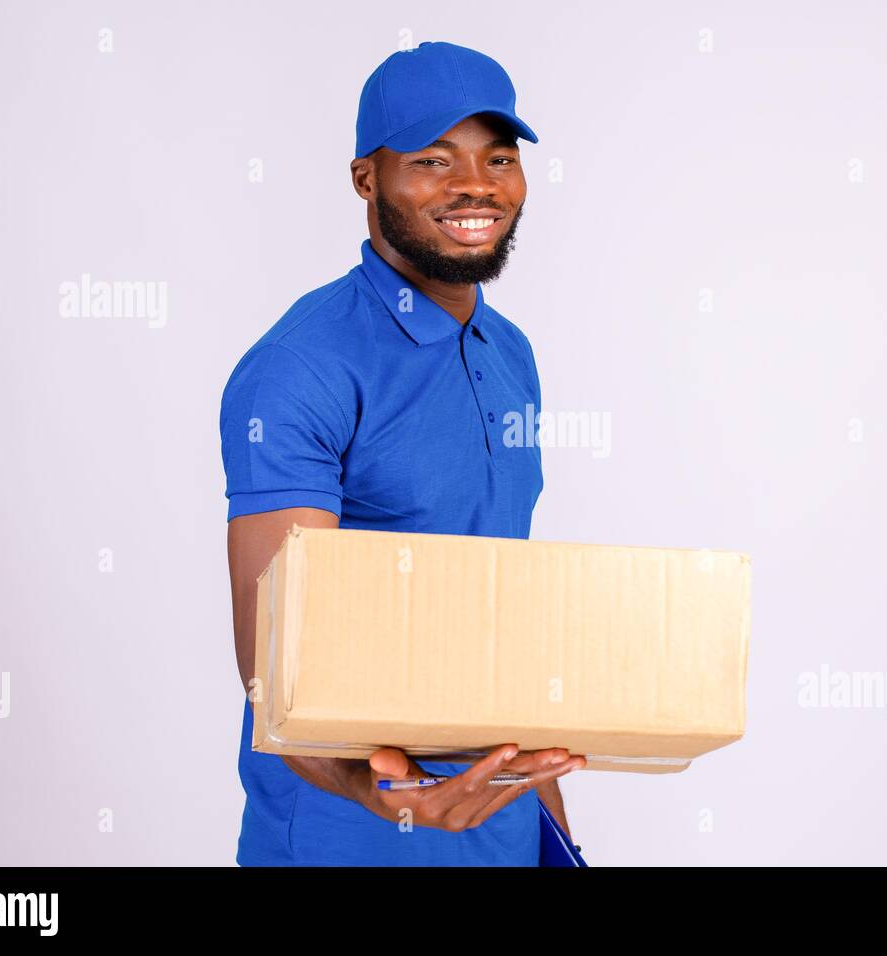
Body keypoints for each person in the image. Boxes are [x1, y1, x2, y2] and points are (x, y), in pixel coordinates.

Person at [219, 41, 584, 866]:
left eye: (498, 156)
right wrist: (373, 788)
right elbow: (272, 670)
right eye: (431, 158)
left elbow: (503, 604)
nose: (475, 185)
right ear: (366, 180)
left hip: (504, 829)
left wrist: (554, 832)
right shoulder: (302, 365)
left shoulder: (509, 350)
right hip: (347, 836)